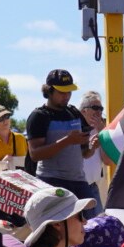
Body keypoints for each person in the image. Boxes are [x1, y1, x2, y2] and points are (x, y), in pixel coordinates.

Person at [25, 69, 97, 202]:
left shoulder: (74, 112)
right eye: (62, 92)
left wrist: (93, 147)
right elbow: (35, 154)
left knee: (91, 221)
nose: (67, 96)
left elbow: (84, 153)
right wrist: (67, 141)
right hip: (51, 181)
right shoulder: (39, 116)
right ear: (49, 91)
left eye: (69, 91)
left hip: (79, 181)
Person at [76, 90, 107, 211]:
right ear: (83, 110)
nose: (99, 112)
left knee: (96, 225)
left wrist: (102, 132)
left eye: (101, 108)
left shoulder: (101, 130)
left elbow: (108, 161)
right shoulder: (75, 128)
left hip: (92, 187)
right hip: (75, 186)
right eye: (95, 108)